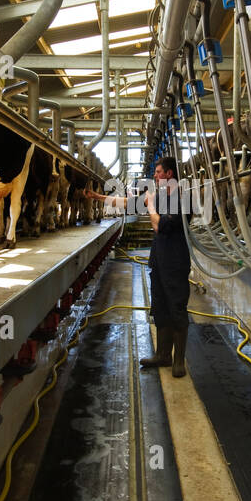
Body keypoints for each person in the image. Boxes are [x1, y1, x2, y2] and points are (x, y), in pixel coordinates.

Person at [86, 157, 191, 377]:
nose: (155, 175)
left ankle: (178, 361)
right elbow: (127, 203)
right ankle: (163, 355)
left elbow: (160, 226)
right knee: (160, 308)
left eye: (159, 172)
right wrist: (98, 197)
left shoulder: (181, 198)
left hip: (175, 262)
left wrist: (151, 205)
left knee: (177, 308)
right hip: (159, 261)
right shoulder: (160, 196)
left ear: (169, 174)